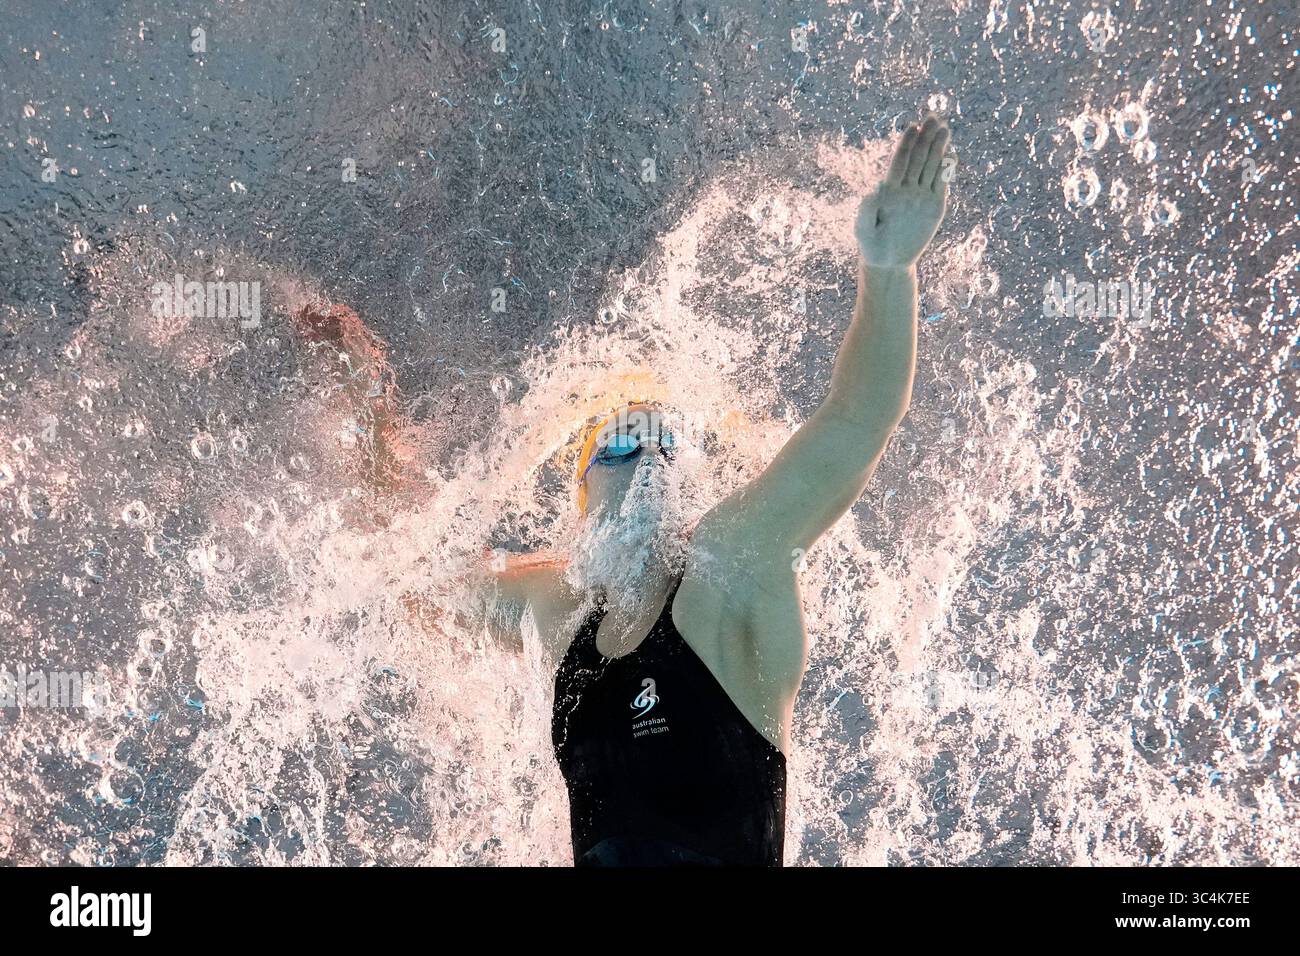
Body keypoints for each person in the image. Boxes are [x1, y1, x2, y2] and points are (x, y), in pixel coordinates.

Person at [302, 113, 953, 866]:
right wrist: (369, 414)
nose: (647, 461)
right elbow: (408, 573)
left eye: (665, 442)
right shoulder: (560, 614)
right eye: (618, 444)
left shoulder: (732, 577)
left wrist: (888, 269)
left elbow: (854, 423)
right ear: (581, 497)